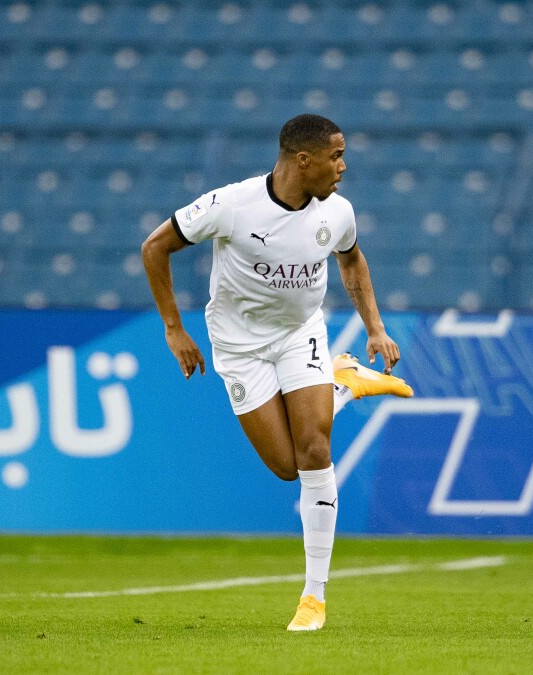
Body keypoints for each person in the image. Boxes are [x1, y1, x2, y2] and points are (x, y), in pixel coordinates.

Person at [142, 114, 413, 631]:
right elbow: (155, 247)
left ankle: (314, 597)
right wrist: (174, 330)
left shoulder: (338, 212)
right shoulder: (231, 205)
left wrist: (374, 328)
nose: (343, 165)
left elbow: (351, 261)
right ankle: (346, 385)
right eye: (335, 156)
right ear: (302, 160)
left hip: (299, 335)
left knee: (315, 451)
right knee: (287, 467)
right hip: (240, 347)